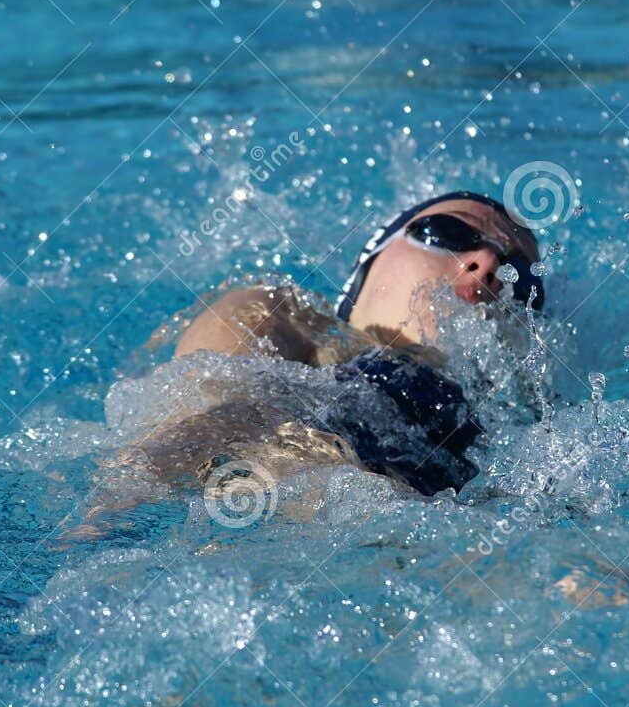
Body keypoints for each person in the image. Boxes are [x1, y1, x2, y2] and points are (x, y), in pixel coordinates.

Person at [82, 192, 545, 528]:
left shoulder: (528, 439)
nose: (485, 263)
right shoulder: (284, 315)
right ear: (369, 267)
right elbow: (210, 417)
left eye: (521, 275)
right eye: (451, 233)